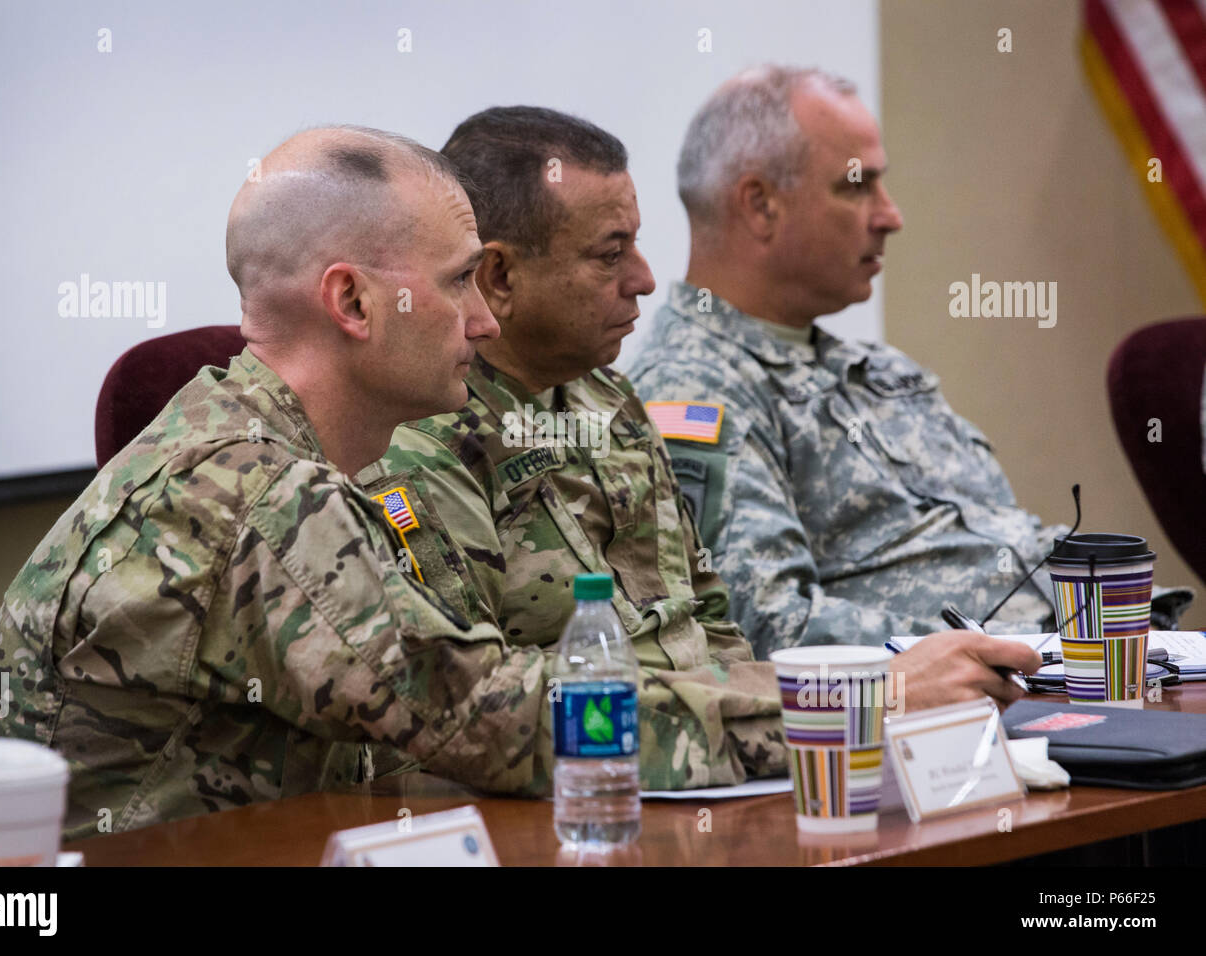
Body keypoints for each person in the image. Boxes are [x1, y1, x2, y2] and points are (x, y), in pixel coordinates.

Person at [364, 106, 1041, 787]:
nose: (645, 278)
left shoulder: (609, 401)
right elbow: (488, 717)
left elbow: (711, 629)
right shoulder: (420, 440)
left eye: (636, 243)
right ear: (501, 277)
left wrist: (819, 729)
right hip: (582, 801)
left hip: (723, 777)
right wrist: (858, 702)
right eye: (610, 254)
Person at [0, 127, 553, 839]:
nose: (484, 321)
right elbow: (490, 719)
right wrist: (721, 712)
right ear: (354, 302)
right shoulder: (255, 494)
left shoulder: (277, 447)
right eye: (458, 281)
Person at [630, 66, 1192, 660]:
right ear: (760, 205)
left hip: (1092, 661)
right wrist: (1011, 651)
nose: (890, 215)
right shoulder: (691, 393)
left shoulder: (871, 367)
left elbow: (997, 536)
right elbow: (765, 630)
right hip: (961, 712)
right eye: (856, 186)